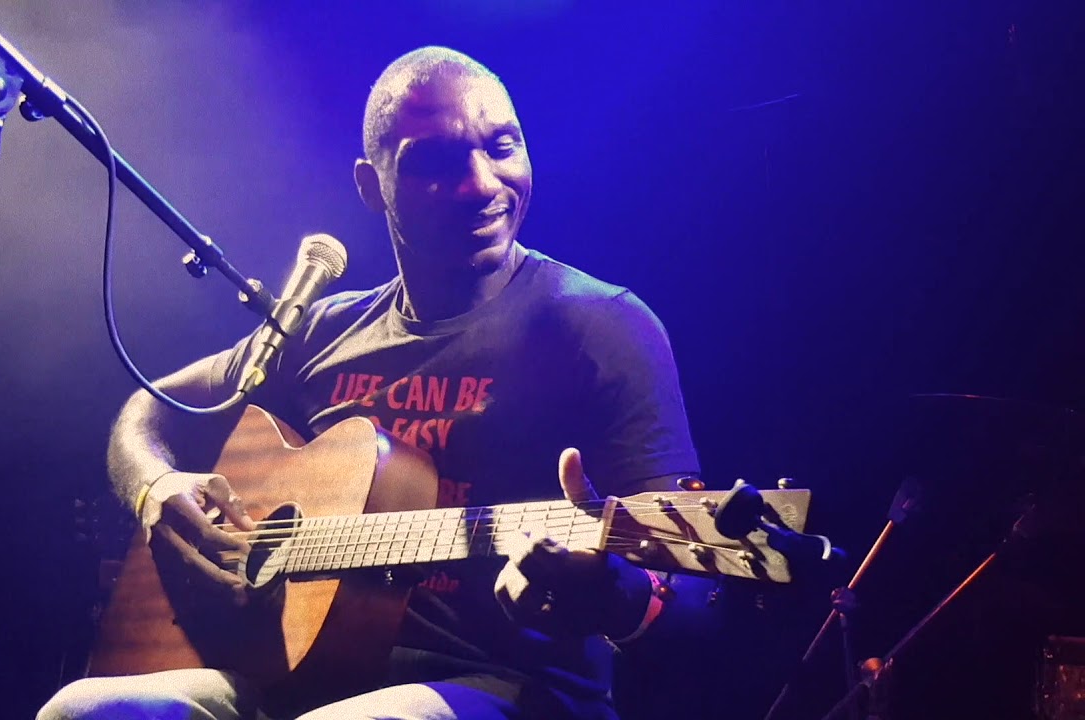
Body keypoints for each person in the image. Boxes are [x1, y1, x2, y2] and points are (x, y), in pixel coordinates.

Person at [38, 45, 700, 720]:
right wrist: (156, 488)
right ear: (369, 183)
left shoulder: (600, 327)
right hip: (286, 675)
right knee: (84, 710)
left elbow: (691, 587)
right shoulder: (320, 330)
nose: (480, 183)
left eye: (502, 147)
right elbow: (149, 412)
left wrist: (616, 589)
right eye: (436, 162)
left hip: (502, 687)